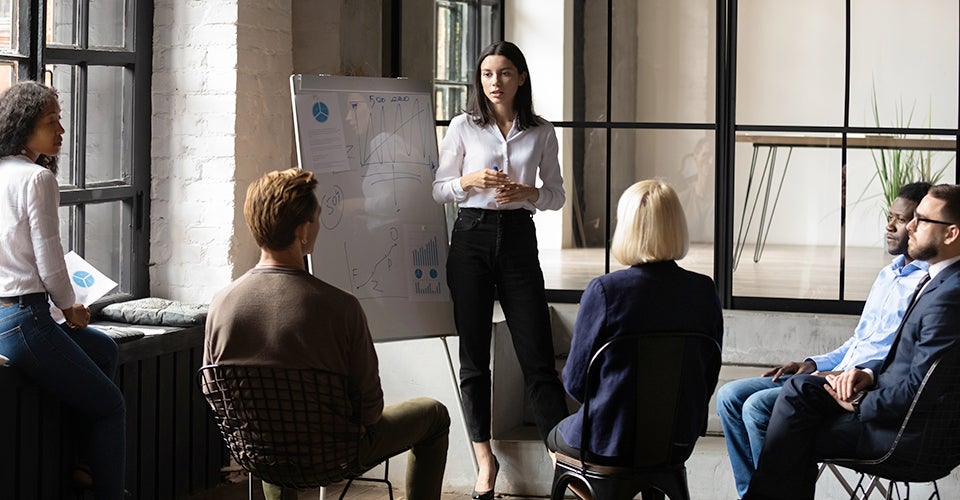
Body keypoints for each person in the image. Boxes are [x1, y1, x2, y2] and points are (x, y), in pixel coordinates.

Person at [205, 168, 450, 500]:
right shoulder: (340, 308)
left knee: (274, 426)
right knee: (434, 415)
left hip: (259, 454)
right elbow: (370, 411)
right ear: (303, 230)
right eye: (317, 218)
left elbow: (217, 394)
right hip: (335, 456)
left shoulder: (221, 305)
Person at [744, 184, 960, 500]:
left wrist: (860, 401)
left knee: (783, 415)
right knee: (800, 389)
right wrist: (868, 375)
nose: (909, 226)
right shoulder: (941, 283)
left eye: (922, 220)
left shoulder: (948, 298)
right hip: (891, 408)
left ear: (951, 234)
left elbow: (920, 390)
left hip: (900, 436)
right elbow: (909, 364)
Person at [431, 40, 569, 499]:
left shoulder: (542, 131)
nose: (495, 82)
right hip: (469, 237)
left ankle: (561, 462)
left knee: (536, 355)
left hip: (517, 239)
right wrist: (467, 182)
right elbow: (438, 190)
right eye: (488, 74)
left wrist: (529, 193)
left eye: (505, 73)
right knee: (474, 358)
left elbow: (557, 196)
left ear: (521, 78)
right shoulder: (463, 126)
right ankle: (484, 461)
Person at [0, 81, 126, 499]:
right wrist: (71, 307)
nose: (62, 130)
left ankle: (85, 464)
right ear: (24, 127)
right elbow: (49, 257)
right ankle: (105, 491)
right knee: (111, 406)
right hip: (26, 318)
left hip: (5, 317)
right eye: (51, 121)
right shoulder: (37, 179)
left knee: (105, 349)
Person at [547, 180, 723, 469]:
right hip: (677, 441)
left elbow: (577, 383)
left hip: (610, 440)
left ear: (626, 227)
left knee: (555, 438)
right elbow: (708, 375)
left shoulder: (605, 291)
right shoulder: (704, 291)